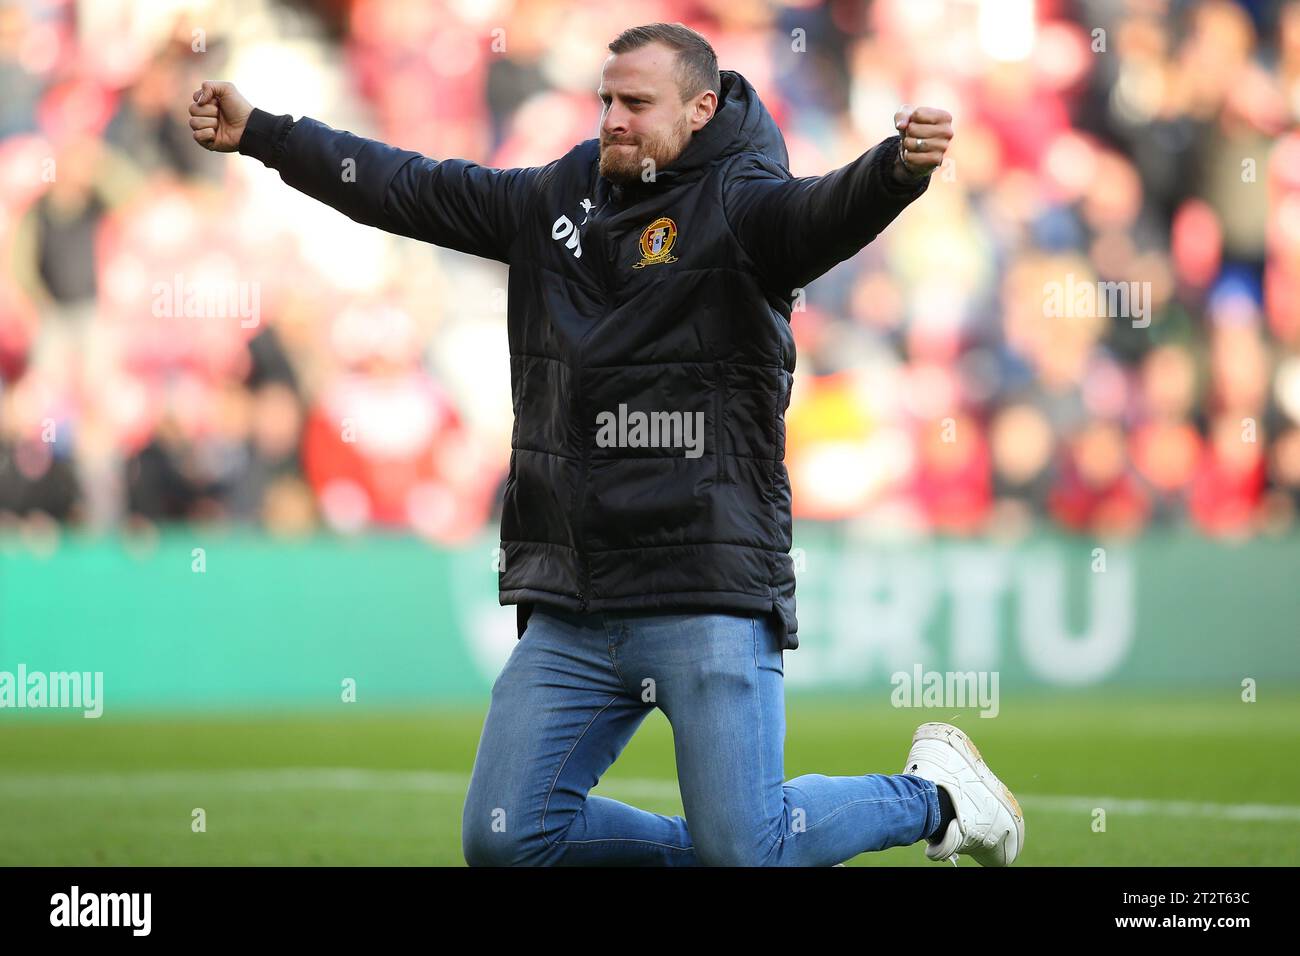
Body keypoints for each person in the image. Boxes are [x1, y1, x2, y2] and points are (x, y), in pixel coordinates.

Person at [190, 20, 1022, 867]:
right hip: (577, 595)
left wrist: (895, 171)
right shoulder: (554, 199)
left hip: (704, 585)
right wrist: (264, 134)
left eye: (636, 103)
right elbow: (411, 186)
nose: (614, 119)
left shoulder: (745, 205)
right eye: (605, 101)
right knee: (508, 842)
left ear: (701, 109)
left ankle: (939, 795)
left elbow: (823, 214)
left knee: (746, 852)